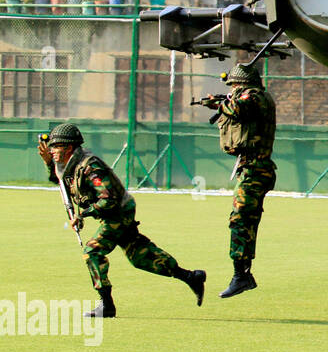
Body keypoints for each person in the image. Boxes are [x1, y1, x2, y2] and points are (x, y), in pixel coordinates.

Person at [38, 124, 204, 317]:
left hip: (118, 212)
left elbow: (108, 199)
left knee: (92, 250)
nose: (52, 150)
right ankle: (192, 277)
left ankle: (106, 305)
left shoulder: (90, 166)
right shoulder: (70, 165)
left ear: (69, 147)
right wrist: (49, 163)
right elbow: (59, 181)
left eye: (56, 146)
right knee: (140, 257)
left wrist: (83, 214)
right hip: (109, 214)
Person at [199, 61, 277, 298]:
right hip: (251, 168)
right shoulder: (249, 97)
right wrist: (222, 103)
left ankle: (241, 276)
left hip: (257, 169)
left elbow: (238, 109)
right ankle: (243, 274)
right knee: (245, 221)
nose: (231, 90)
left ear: (241, 84)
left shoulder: (255, 97)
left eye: (233, 86)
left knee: (240, 219)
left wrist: (219, 103)